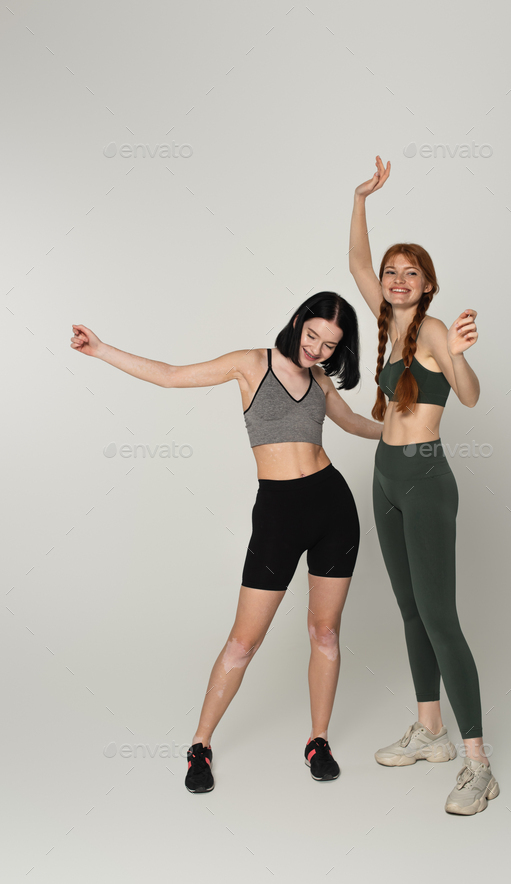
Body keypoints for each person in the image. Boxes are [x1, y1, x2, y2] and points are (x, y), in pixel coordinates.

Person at [71, 292, 383, 792]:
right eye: (312, 336)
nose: (317, 351)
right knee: (243, 641)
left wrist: (405, 432)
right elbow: (172, 374)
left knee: (325, 633)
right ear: (299, 321)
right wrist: (103, 349)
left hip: (334, 509)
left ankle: (318, 740)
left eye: (329, 345)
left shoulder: (321, 379)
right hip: (279, 514)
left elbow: (353, 423)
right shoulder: (249, 365)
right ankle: (201, 744)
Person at [348, 156, 500, 815]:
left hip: (427, 478)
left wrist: (460, 355)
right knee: (410, 612)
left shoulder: (434, 330)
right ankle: (429, 732)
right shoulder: (389, 324)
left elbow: (468, 397)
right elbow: (356, 262)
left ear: (428, 283)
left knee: (441, 618)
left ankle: (477, 765)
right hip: (384, 476)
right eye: (392, 272)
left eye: (411, 272)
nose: (397, 279)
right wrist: (359, 200)